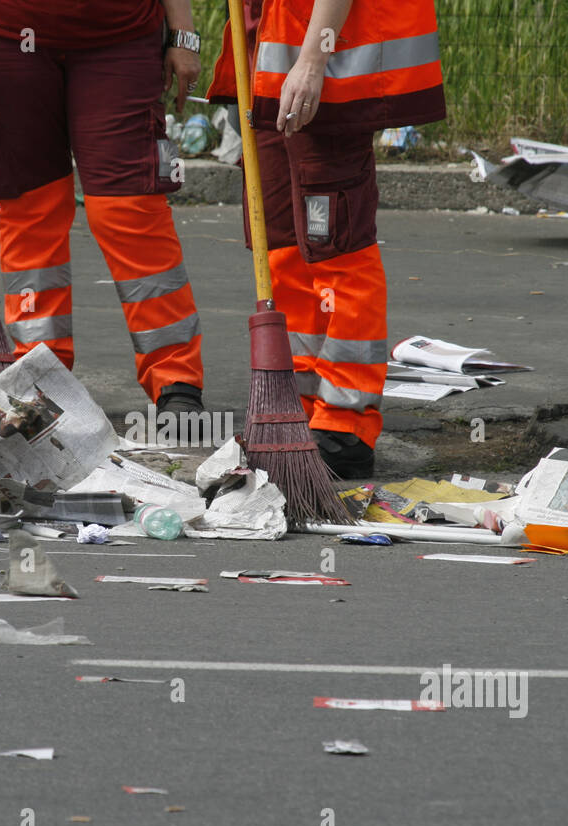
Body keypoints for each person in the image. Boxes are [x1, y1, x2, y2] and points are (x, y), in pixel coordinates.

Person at [0, 0, 208, 421]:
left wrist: (183, 33)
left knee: (131, 208)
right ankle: (39, 375)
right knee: (30, 208)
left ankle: (175, 378)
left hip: (119, 33)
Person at [208, 0, 446, 477]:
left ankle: (345, 425)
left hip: (320, 73)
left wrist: (315, 58)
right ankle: (299, 409)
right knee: (285, 250)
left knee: (337, 250)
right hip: (269, 69)